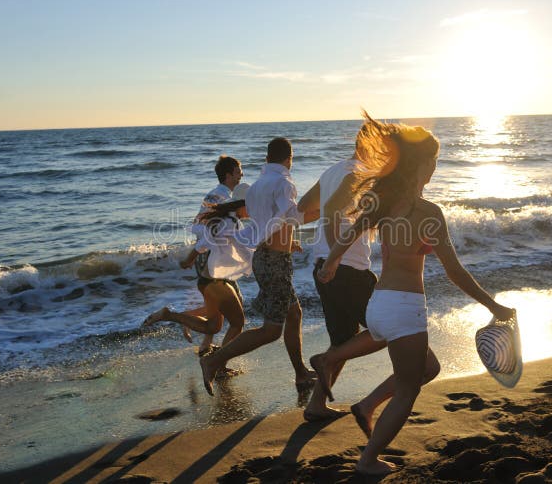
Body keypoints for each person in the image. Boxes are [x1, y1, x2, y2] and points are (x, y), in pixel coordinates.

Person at [316, 112, 514, 476]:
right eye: (434, 161)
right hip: (405, 306)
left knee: (413, 356)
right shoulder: (428, 212)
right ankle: (369, 459)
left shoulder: (385, 203)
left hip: (379, 304)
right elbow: (455, 272)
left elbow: (349, 232)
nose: (435, 167)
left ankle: (342, 371)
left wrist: (331, 262)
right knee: (408, 388)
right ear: (423, 165)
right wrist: (493, 304)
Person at [199, 137, 318, 396]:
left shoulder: (256, 186)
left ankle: (300, 374)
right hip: (275, 263)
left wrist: (289, 241)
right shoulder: (284, 182)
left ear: (267, 159)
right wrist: (327, 208)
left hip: (266, 258)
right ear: (290, 159)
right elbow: (295, 217)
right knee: (271, 330)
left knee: (293, 314)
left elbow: (267, 223)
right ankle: (213, 360)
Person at [296, 139, 381, 422]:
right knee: (388, 326)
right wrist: (335, 256)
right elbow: (331, 212)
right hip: (344, 268)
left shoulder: (333, 171)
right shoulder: (359, 174)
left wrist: (329, 251)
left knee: (343, 341)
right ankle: (324, 362)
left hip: (324, 266)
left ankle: (316, 405)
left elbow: (303, 208)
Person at [143, 156, 245, 355]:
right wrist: (192, 257)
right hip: (212, 259)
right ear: (228, 174)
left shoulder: (218, 196)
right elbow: (208, 233)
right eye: (239, 171)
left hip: (212, 256)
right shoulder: (220, 198)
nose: (242, 175)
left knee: (221, 311)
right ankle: (216, 355)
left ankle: (204, 343)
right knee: (233, 312)